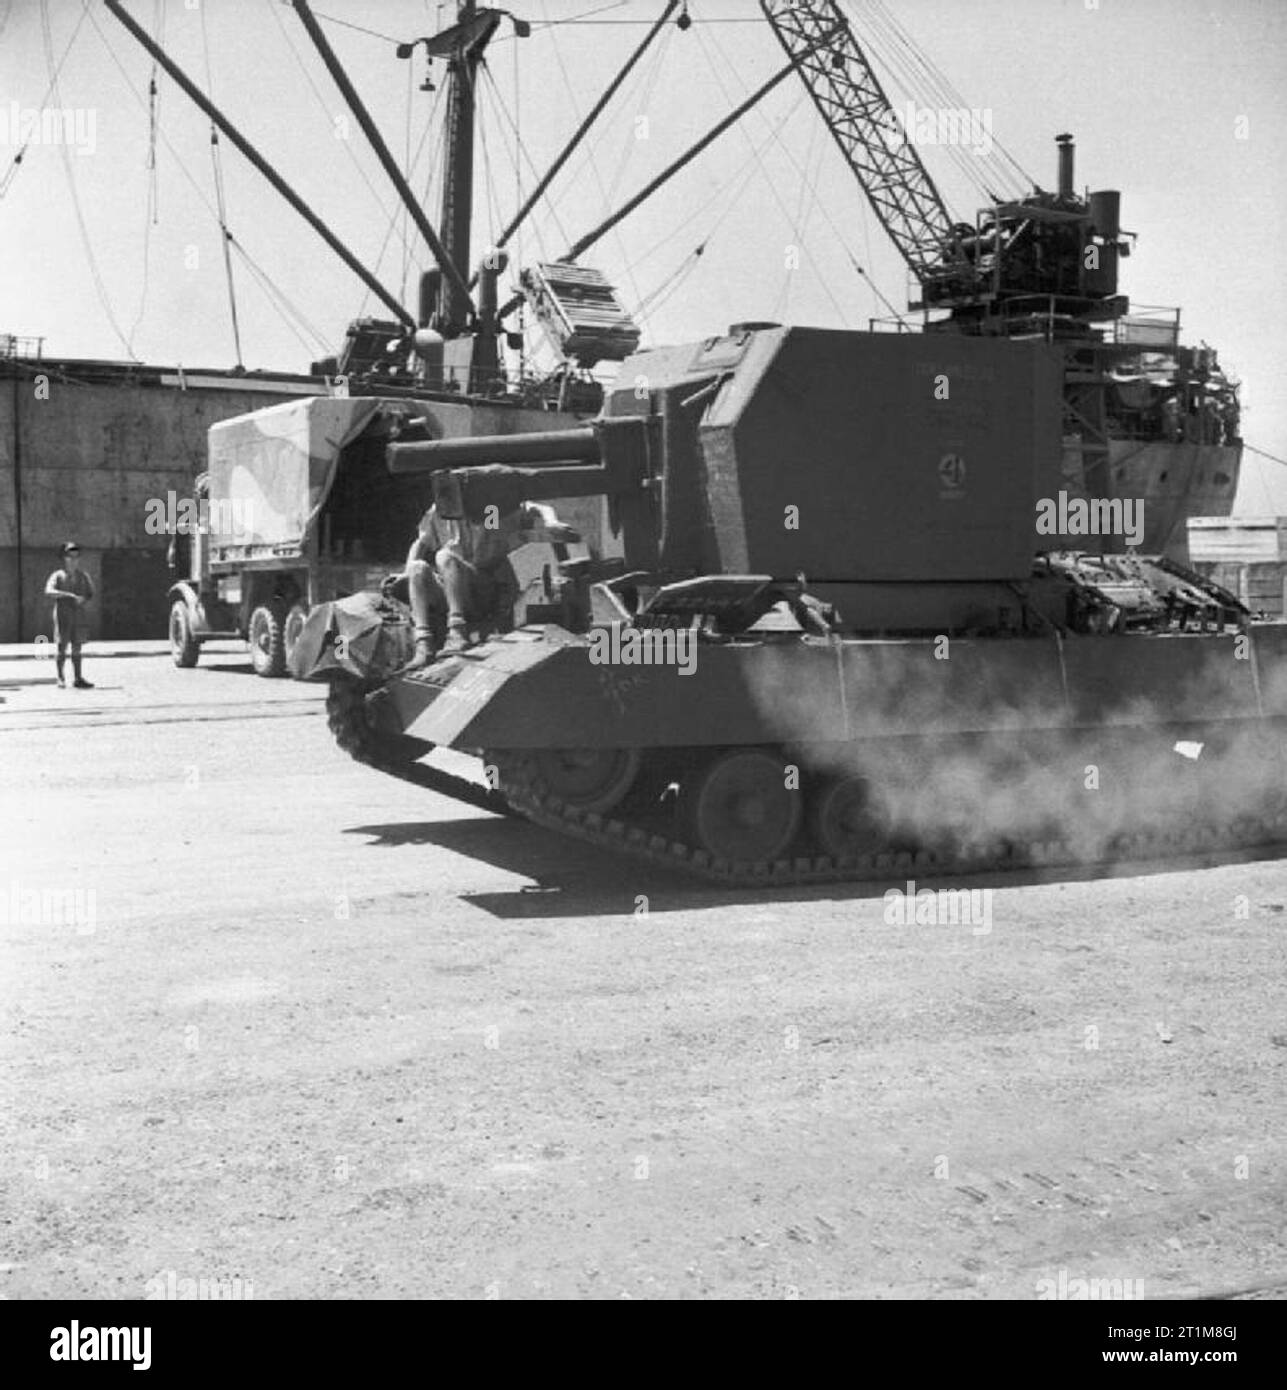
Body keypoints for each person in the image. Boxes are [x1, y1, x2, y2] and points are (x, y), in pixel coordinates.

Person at [398, 500, 579, 670]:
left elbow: (532, 508)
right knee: (417, 569)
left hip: (485, 588)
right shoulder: (442, 509)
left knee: (444, 556)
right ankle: (423, 643)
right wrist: (405, 575)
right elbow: (421, 542)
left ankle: (457, 633)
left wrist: (550, 522)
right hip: (451, 588)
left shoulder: (490, 510)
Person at [44, 541, 95, 689]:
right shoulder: (58, 575)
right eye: (69, 557)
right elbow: (49, 591)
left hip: (78, 615)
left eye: (76, 557)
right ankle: (60, 677)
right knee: (62, 646)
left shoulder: (83, 576)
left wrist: (83, 600)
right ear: (64, 558)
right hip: (62, 614)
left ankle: (78, 678)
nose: (73, 560)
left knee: (77, 646)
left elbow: (91, 593)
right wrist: (68, 595)